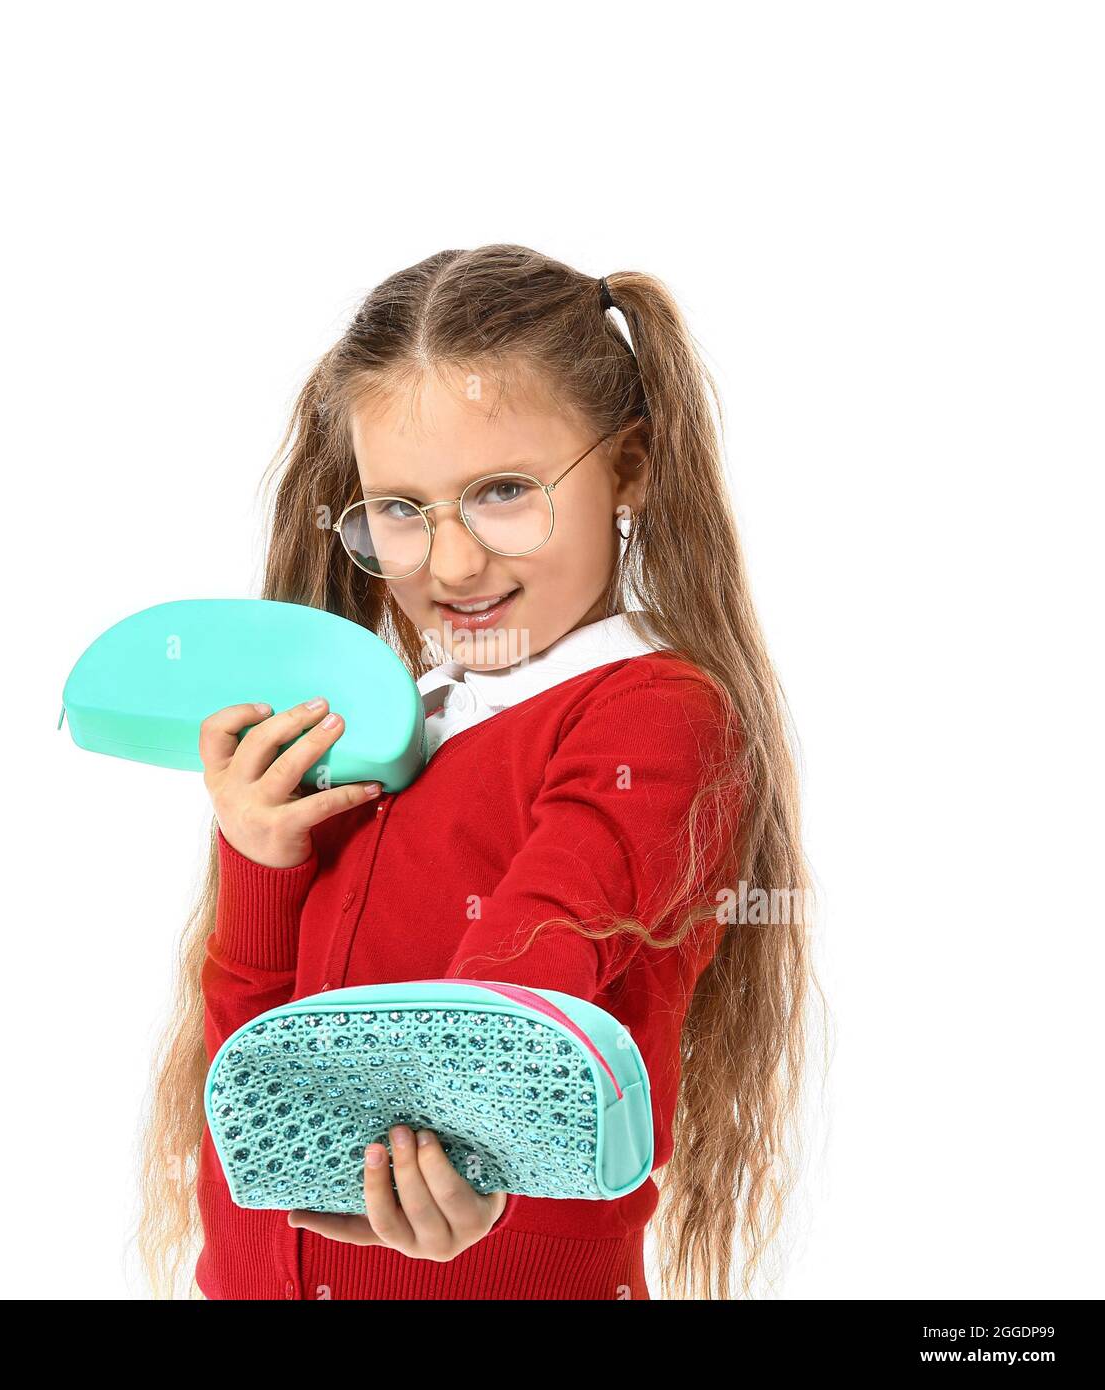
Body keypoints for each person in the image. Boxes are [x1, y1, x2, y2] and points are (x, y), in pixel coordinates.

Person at [135, 243, 817, 1300]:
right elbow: (257, 1058)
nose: (451, 564)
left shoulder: (651, 717)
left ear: (629, 465)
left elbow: (516, 991)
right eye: (401, 510)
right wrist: (261, 856)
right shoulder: (399, 729)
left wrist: (458, 1140)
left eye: (504, 492)